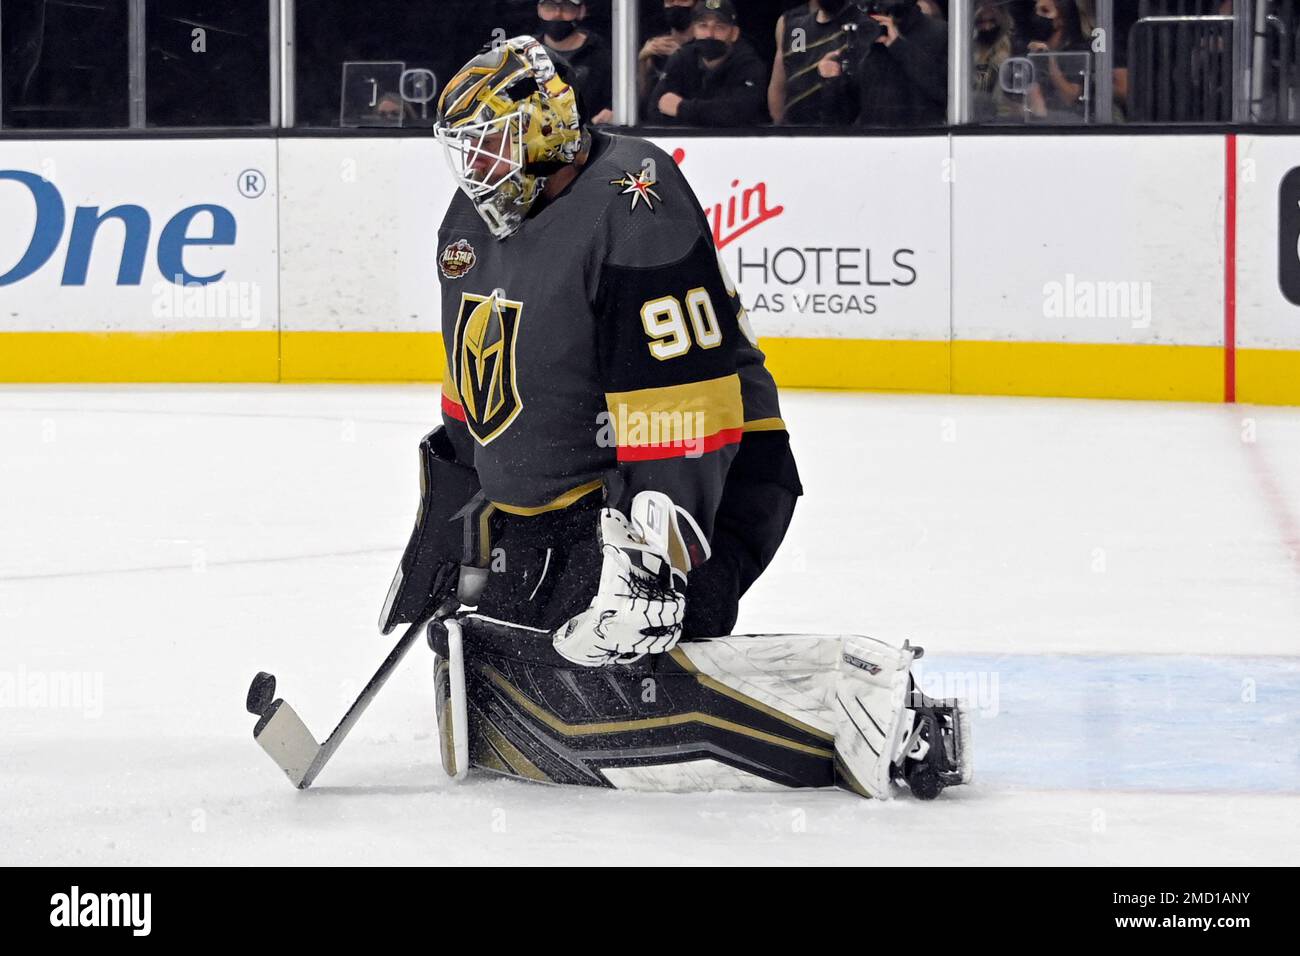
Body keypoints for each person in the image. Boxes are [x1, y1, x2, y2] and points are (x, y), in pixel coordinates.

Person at [380, 34, 969, 798]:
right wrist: (453, 517)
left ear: (545, 127)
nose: (475, 171)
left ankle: (882, 713)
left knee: (617, 672)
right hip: (572, 500)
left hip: (702, 479)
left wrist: (652, 560)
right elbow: (476, 385)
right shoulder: (468, 222)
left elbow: (683, 405)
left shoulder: (636, 195)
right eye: (465, 153)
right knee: (505, 673)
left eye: (490, 148)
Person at [817, 0, 948, 127]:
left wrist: (898, 45)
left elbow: (947, 92)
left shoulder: (940, 33)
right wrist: (832, 81)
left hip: (925, 141)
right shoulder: (861, 37)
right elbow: (840, 119)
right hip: (873, 141)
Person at [644, 0, 769, 126]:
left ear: (734, 33)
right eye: (703, 26)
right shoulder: (682, 57)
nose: (710, 34)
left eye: (719, 27)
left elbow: (741, 112)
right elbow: (655, 110)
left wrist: (682, 108)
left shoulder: (748, 63)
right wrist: (711, 113)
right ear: (694, 30)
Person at [769, 0, 863, 126]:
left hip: (840, 128)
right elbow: (779, 82)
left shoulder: (860, 22)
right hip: (794, 130)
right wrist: (778, 129)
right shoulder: (790, 22)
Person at [535, 0, 614, 124]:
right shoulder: (525, 52)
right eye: (549, 6)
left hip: (591, 135)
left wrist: (611, 112)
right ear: (539, 10)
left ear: (581, 11)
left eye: (566, 7)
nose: (557, 14)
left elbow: (617, 99)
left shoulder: (601, 52)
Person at [638, 0, 697, 116]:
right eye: (669, 1)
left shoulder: (706, 45)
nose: (675, 4)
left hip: (687, 123)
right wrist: (642, 60)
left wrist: (682, 57)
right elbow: (640, 98)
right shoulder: (657, 44)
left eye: (683, 0)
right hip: (652, 123)